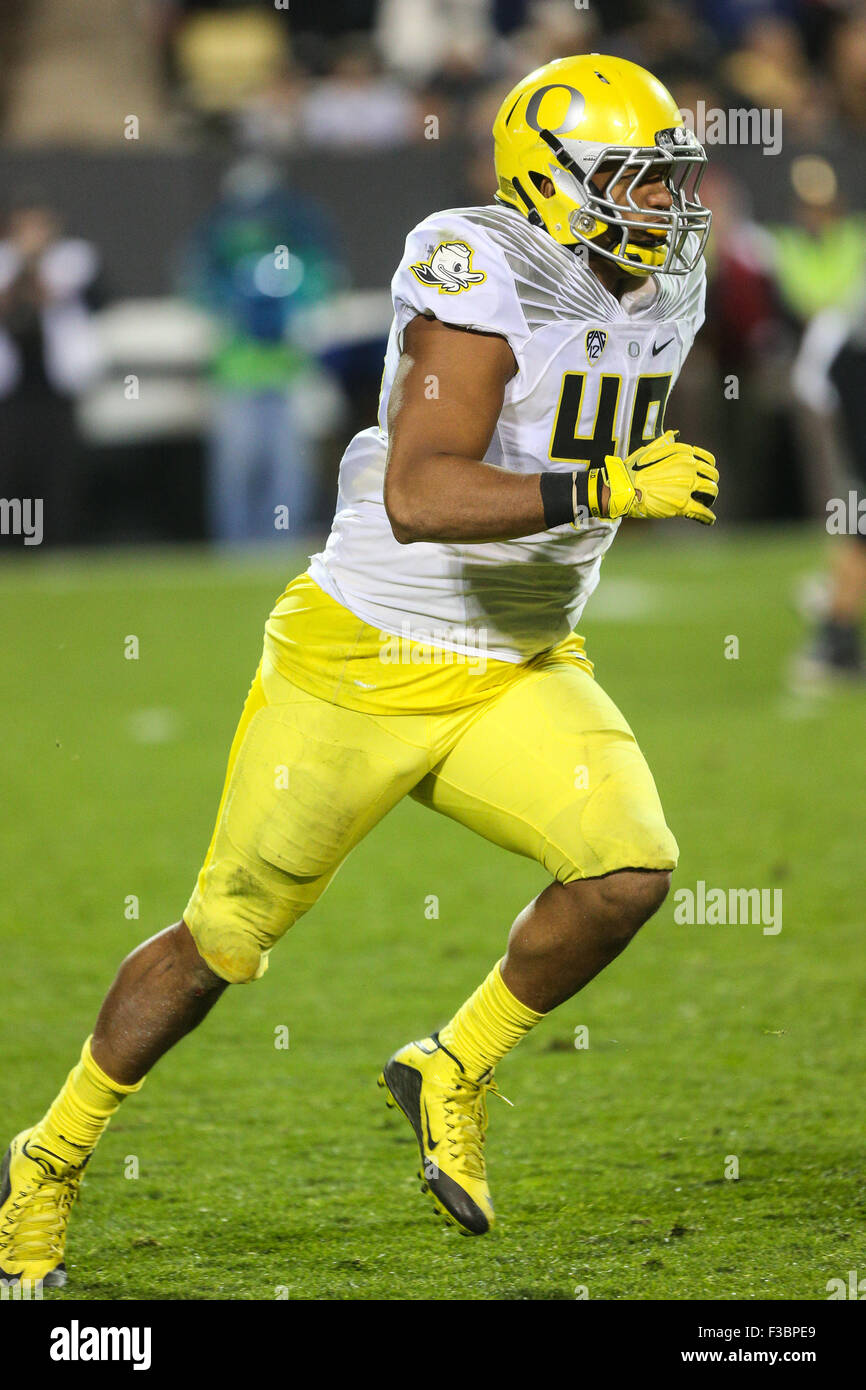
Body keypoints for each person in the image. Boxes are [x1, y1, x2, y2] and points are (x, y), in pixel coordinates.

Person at [0, 53, 718, 1285]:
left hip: (521, 656)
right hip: (366, 657)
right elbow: (422, 490)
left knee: (625, 872)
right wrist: (597, 484)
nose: (661, 209)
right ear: (551, 184)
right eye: (634, 184)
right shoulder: (475, 269)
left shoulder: (667, 276)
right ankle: (46, 1161)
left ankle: (449, 1062)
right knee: (220, 941)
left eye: (665, 184)